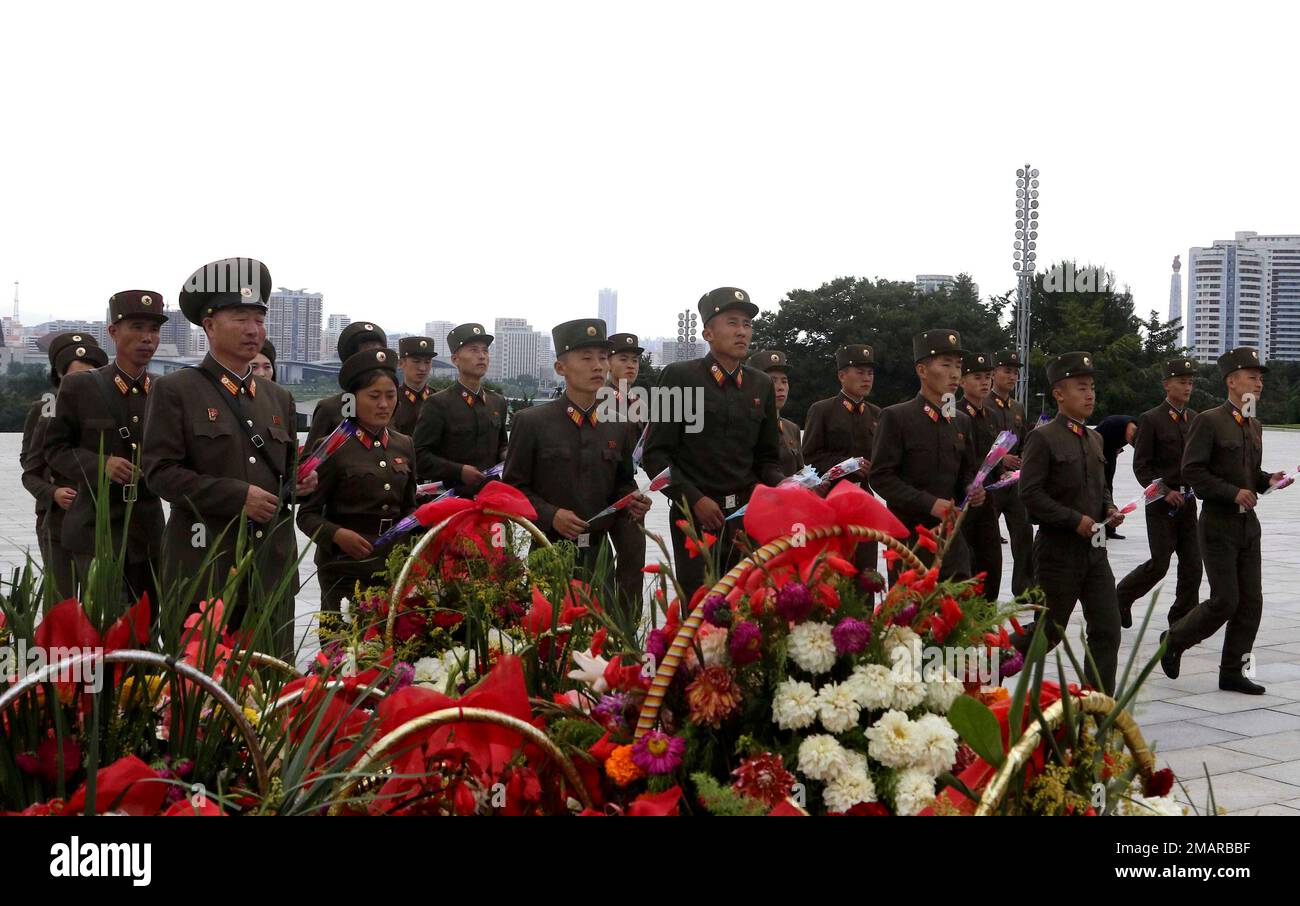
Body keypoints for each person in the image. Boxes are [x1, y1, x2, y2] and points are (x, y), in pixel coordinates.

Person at [143, 257, 316, 656]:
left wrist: (301, 483)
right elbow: (160, 474)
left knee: (271, 683)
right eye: (240, 318)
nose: (253, 330)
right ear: (208, 325)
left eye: (258, 318)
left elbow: (282, 474)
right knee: (203, 691)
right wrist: (237, 497)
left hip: (270, 570)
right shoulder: (176, 390)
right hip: (206, 568)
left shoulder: (278, 398)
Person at [642, 287, 783, 600]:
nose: (742, 332)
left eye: (747, 324)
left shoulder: (760, 384)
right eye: (732, 323)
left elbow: (767, 459)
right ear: (707, 332)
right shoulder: (679, 377)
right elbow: (654, 455)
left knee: (746, 609)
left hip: (745, 518)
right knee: (701, 611)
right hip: (695, 518)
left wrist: (785, 485)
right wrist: (694, 499)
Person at [1162, 347, 1284, 695]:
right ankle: (1174, 639)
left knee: (1252, 602)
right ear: (1232, 381)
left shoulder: (1253, 424)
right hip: (1218, 523)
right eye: (1251, 376)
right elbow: (1193, 471)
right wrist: (1232, 493)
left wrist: (1267, 480)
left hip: (1249, 525)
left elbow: (1249, 473)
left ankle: (1233, 671)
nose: (1258, 383)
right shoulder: (1209, 420)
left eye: (1260, 377)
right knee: (1225, 600)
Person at [504, 319, 647, 600]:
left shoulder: (619, 425)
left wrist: (632, 499)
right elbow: (513, 490)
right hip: (549, 549)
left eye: (603, 357)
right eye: (586, 358)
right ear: (561, 368)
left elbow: (622, 482)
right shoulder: (532, 422)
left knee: (599, 636)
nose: (598, 366)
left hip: (599, 555)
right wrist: (551, 515)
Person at [44, 291, 169, 611]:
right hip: (96, 531)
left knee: (147, 627)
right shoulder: (80, 387)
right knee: (111, 627)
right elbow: (55, 449)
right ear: (113, 331)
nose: (147, 338)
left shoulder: (167, 391)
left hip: (148, 532)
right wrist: (101, 464)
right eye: (137, 328)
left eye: (153, 330)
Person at [1014, 351, 1123, 693]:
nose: (1090, 394)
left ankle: (1097, 705)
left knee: (1108, 629)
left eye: (1091, 387)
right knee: (1049, 633)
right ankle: (990, 664)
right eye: (1081, 388)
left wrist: (1109, 508)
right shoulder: (1043, 438)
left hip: (1095, 552)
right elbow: (1030, 494)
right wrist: (1074, 520)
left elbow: (1101, 487)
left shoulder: (1095, 439)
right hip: (1057, 554)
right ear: (1059, 394)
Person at [297, 347, 416, 613]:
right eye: (374, 396)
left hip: (391, 565)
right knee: (342, 648)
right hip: (344, 566)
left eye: (390, 396)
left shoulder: (403, 444)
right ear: (352, 399)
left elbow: (409, 506)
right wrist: (337, 535)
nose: (383, 404)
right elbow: (306, 514)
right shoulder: (331, 446)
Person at [869, 330, 983, 581]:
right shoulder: (897, 417)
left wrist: (972, 489)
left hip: (951, 538)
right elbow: (880, 477)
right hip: (910, 539)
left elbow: (967, 470)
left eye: (958, 366)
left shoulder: (960, 421)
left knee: (960, 613)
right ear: (922, 370)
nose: (955, 373)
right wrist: (929, 503)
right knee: (911, 615)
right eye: (946, 365)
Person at [1114, 358, 1202, 629]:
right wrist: (1163, 492)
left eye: (1190, 382)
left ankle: (1181, 620)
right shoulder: (1151, 419)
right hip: (1161, 504)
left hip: (1188, 503)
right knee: (1160, 564)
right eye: (1181, 382)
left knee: (1193, 565)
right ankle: (1121, 597)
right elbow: (1142, 466)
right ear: (1167, 385)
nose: (1187, 387)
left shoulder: (1196, 419)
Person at [21, 333, 108, 599]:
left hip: (98, 522)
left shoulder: (108, 410)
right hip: (56, 521)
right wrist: (53, 492)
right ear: (59, 376)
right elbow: (30, 465)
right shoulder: (46, 410)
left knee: (98, 601)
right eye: (74, 377)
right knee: (61, 601)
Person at [801, 343, 881, 577]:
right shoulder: (822, 410)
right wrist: (849, 465)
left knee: (866, 573)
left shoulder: (877, 414)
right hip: (831, 503)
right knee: (832, 574)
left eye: (870, 373)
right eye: (859, 372)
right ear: (842, 376)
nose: (866, 378)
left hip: (864, 503)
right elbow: (810, 456)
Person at [413, 323, 509, 494]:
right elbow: (419, 456)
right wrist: (458, 470)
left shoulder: (497, 402)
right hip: (452, 499)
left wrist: (507, 455)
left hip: (492, 496)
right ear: (455, 359)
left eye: (485, 351)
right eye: (473, 350)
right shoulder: (438, 404)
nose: (482, 356)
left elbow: (502, 445)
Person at [606, 332, 648, 613]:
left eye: (635, 360)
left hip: (627, 490)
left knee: (634, 559)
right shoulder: (596, 398)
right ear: (607, 362)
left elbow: (647, 449)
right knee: (597, 565)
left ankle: (627, 627)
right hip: (593, 490)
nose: (631, 365)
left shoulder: (638, 402)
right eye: (623, 359)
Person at [303, 321, 388, 454]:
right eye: (367, 357)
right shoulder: (330, 409)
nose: (374, 363)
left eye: (379, 355)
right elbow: (309, 463)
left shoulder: (392, 405)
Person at [957, 352, 1003, 597]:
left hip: (988, 500)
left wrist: (1004, 473)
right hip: (963, 501)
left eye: (988, 377)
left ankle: (987, 622)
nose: (985, 382)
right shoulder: (953, 414)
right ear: (962, 382)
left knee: (991, 563)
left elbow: (993, 456)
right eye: (977, 377)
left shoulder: (992, 416)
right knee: (967, 565)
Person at [989, 349, 1034, 594]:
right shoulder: (981, 404)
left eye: (1015, 372)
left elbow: (1025, 440)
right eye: (1007, 371)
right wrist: (999, 459)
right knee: (986, 539)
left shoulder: (1017, 407)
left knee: (1025, 535)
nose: (1012, 376)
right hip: (991, 483)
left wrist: (1025, 458)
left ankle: (1024, 587)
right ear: (994, 373)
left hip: (1015, 484)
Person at [748, 350, 803, 477]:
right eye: (772, 381)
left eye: (784, 381)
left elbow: (800, 471)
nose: (780, 387)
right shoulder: (745, 426)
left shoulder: (791, 428)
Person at [1096, 413, 1138, 539]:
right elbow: (1093, 440)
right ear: (1130, 435)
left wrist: (1117, 450)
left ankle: (1109, 529)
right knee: (1099, 490)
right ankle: (1099, 529)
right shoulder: (1112, 424)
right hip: (1098, 455)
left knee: (1108, 488)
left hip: (1110, 453)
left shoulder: (1136, 426)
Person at [393, 335, 437, 435]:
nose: (422, 368)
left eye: (427, 362)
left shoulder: (439, 399)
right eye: (416, 361)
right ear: (401, 363)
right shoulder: (393, 399)